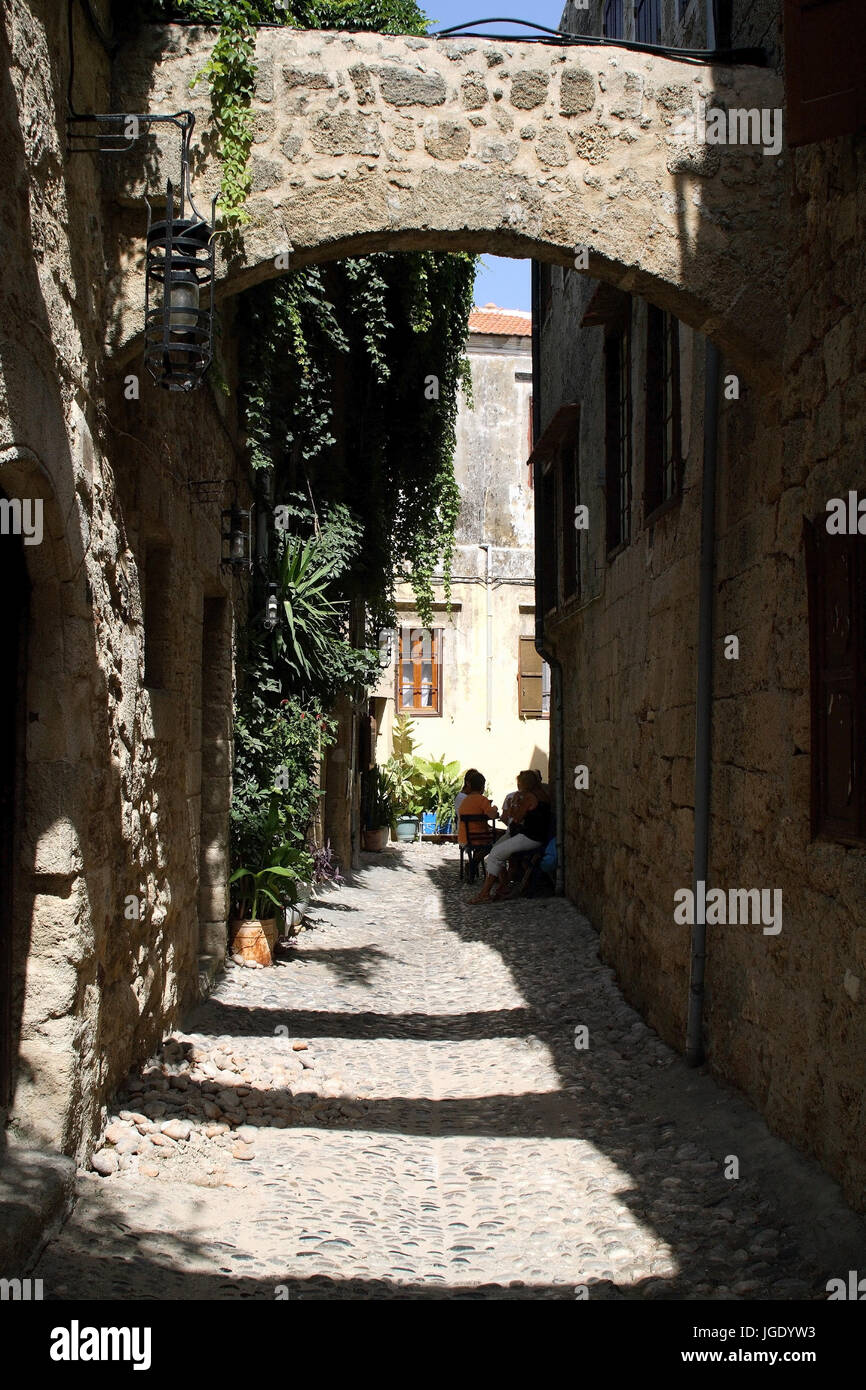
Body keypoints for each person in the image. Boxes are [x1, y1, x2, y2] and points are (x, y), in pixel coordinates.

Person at [469, 770, 551, 903]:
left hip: (530, 836)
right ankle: (502, 887)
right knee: (498, 852)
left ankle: (485, 893)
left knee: (495, 853)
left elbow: (516, 818)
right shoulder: (542, 794)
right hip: (535, 835)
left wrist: (515, 803)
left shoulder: (529, 797)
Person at [456, 770, 498, 846]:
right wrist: (494, 808)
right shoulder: (482, 800)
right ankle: (478, 856)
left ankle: (477, 856)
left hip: (464, 838)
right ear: (483, 787)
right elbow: (492, 815)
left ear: (470, 785)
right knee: (499, 837)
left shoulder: (465, 801)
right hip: (480, 838)